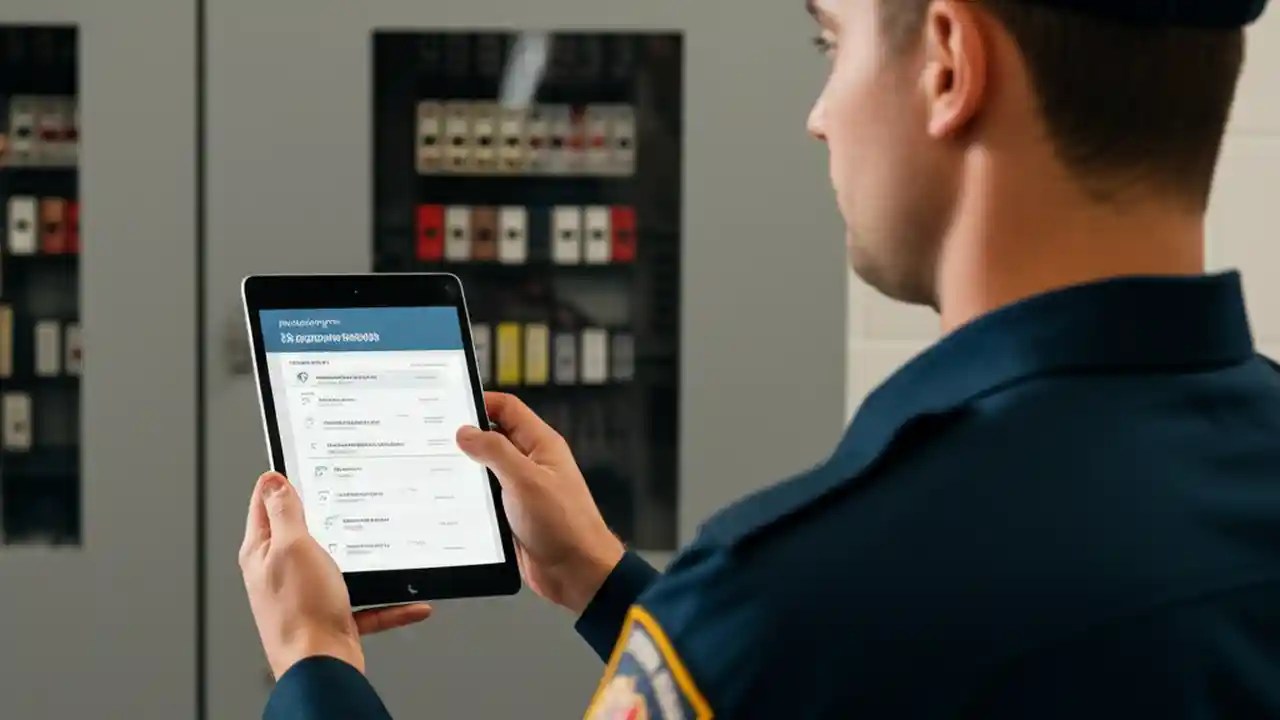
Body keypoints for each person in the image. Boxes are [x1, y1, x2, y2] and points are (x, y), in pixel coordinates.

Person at [240, 0, 1280, 716]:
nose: (818, 118)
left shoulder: (799, 601)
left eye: (830, 46)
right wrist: (601, 581)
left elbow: (798, 658)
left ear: (948, 65)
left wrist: (314, 664)